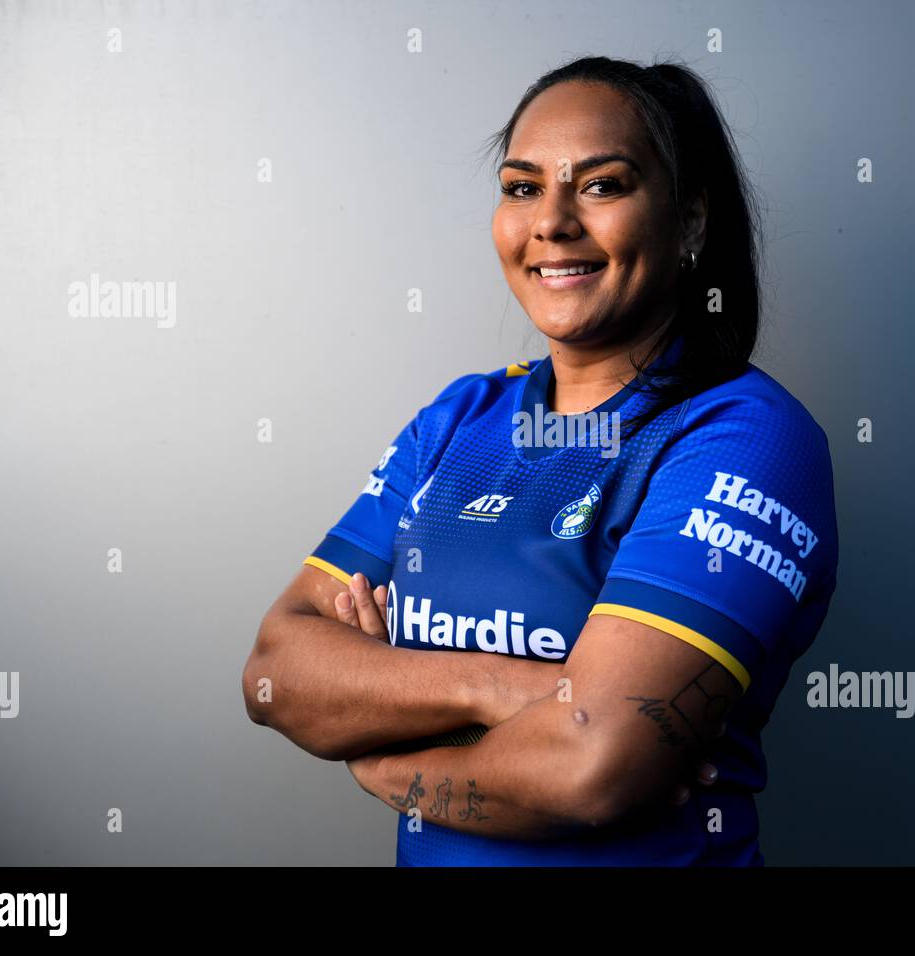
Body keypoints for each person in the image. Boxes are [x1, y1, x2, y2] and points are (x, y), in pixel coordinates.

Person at [243, 55, 839, 866]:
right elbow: (277, 669)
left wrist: (378, 746)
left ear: (691, 222)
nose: (551, 222)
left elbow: (592, 771)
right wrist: (494, 688)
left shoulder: (743, 436)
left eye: (601, 185)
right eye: (523, 187)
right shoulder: (460, 418)